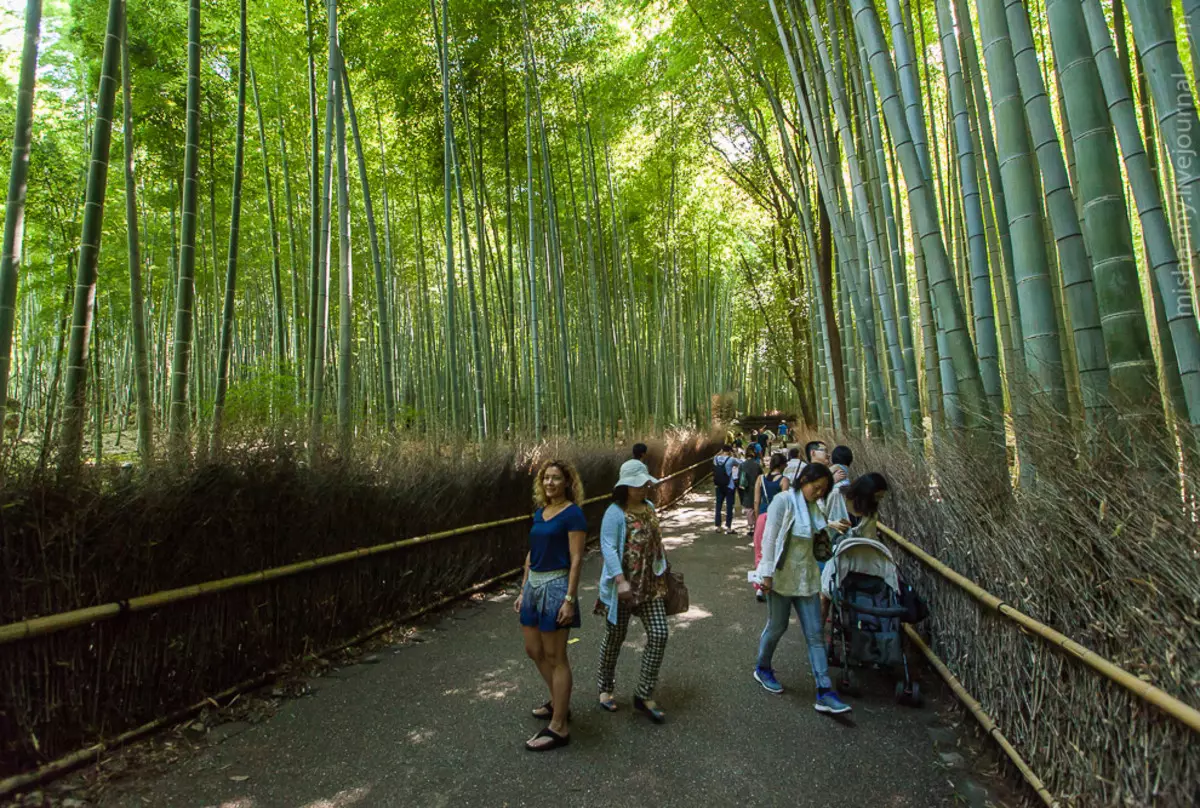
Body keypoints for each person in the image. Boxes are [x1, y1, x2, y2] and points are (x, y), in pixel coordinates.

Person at [752, 463, 852, 714]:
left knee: (815, 633)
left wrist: (832, 529)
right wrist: (766, 574)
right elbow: (771, 537)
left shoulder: (815, 507)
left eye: (823, 490)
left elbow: (817, 539)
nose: (819, 493)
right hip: (782, 578)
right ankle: (762, 668)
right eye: (816, 487)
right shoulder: (783, 501)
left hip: (806, 579)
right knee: (777, 627)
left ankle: (825, 691)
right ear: (804, 480)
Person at [515, 460, 587, 751]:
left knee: (556, 656)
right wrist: (523, 589)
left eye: (556, 478)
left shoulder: (573, 515)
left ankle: (559, 726)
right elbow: (532, 554)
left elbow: (578, 558)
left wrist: (569, 598)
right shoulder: (540, 513)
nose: (550, 483)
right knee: (533, 649)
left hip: (557, 586)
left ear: (567, 482)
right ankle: (560, 702)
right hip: (533, 585)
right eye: (546, 478)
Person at [596, 461, 670, 723]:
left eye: (645, 483)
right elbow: (608, 546)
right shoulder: (615, 512)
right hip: (623, 588)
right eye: (638, 485)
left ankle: (644, 694)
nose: (644, 488)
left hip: (649, 585)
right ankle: (605, 688)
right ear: (625, 486)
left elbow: (656, 544)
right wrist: (619, 581)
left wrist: (664, 570)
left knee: (660, 633)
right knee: (615, 637)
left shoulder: (649, 507)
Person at [751, 453, 788, 601]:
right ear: (782, 465)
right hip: (776, 521)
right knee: (775, 551)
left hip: (762, 517)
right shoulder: (784, 480)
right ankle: (773, 584)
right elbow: (785, 503)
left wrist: (757, 517)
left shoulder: (760, 479)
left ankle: (760, 587)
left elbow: (756, 501)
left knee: (760, 552)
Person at [712, 445, 738, 533]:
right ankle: (729, 527)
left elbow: (716, 456)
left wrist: (720, 452)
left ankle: (718, 526)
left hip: (718, 485)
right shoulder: (731, 460)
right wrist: (735, 453)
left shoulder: (715, 459)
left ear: (722, 450)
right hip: (729, 485)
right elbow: (741, 463)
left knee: (718, 505)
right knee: (729, 506)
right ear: (730, 451)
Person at [738, 447, 763, 536]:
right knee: (756, 506)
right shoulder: (757, 465)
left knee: (748, 509)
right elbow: (761, 476)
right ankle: (757, 525)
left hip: (746, 488)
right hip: (756, 487)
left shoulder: (742, 465)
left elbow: (739, 477)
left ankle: (751, 526)